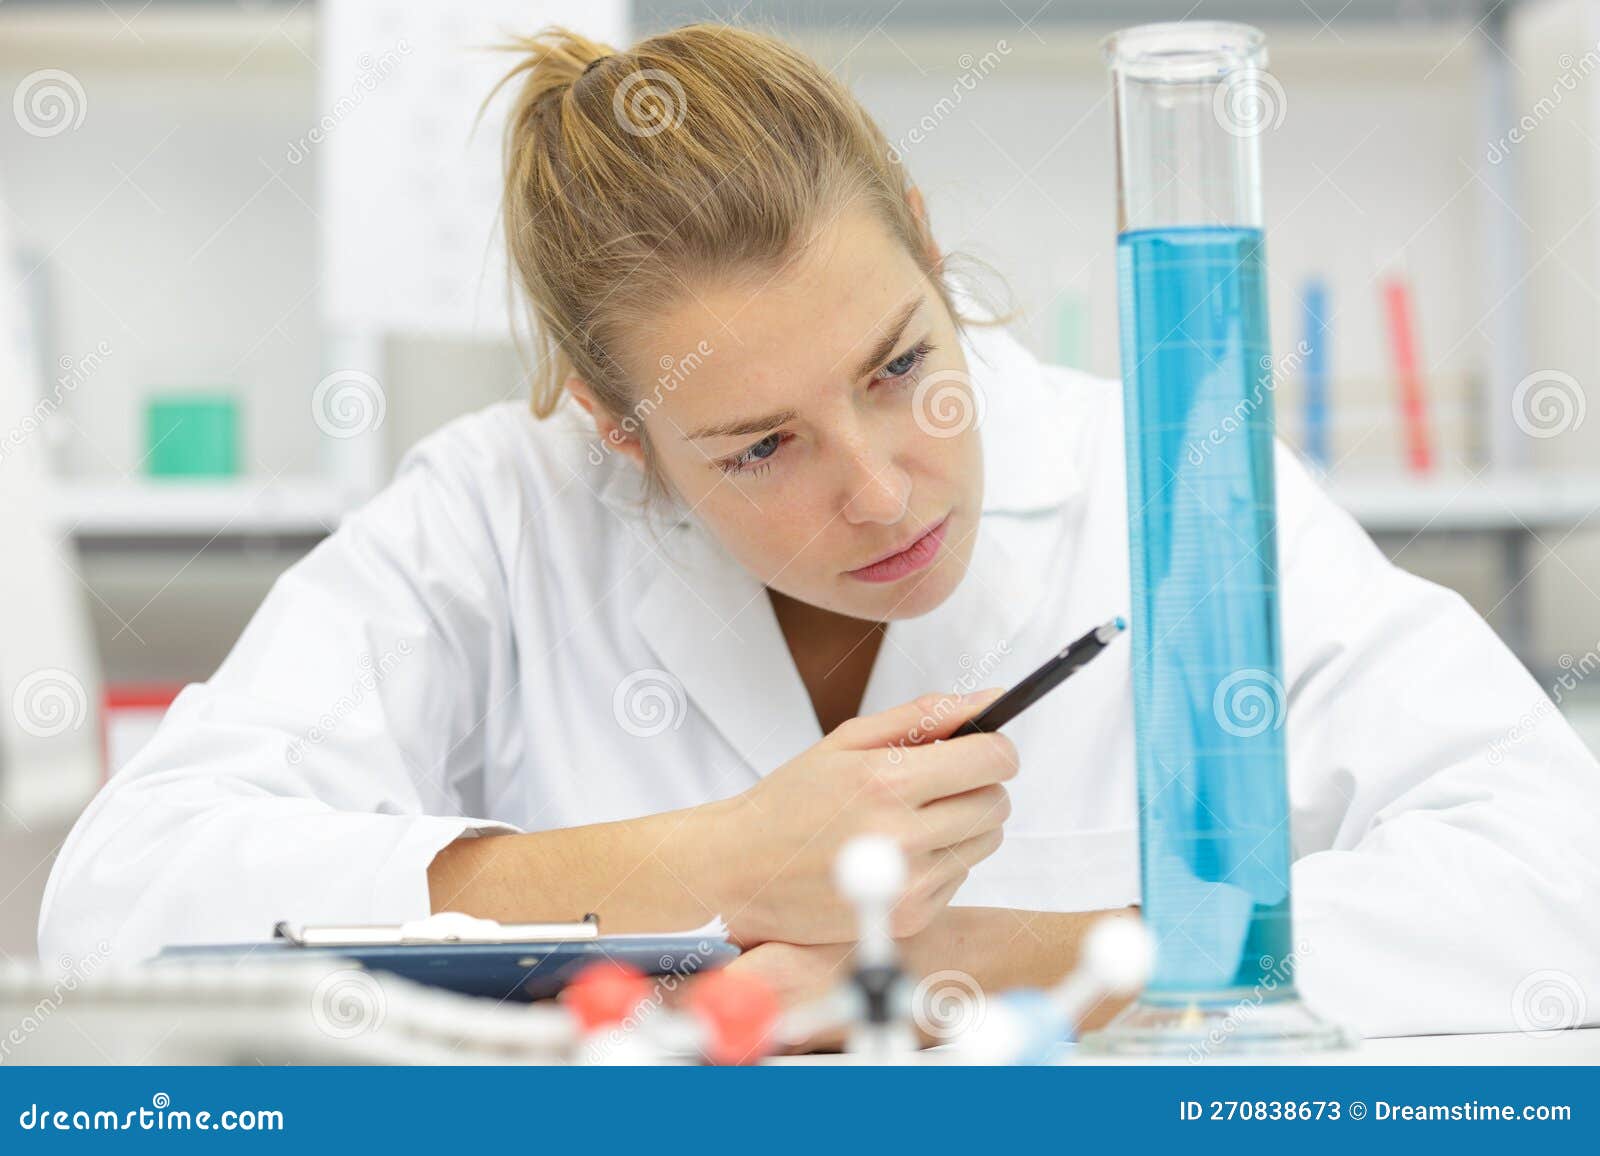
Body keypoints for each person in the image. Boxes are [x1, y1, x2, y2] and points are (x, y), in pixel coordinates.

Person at [38, 23, 1600, 1040]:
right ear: (618, 427)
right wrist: (703, 867)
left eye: (901, 367)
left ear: (922, 236)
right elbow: (125, 897)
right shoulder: (497, 516)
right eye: (761, 445)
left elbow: (1559, 874)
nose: (882, 488)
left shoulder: (1163, 482)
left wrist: (997, 959)